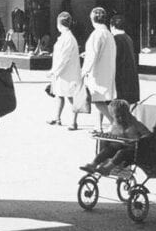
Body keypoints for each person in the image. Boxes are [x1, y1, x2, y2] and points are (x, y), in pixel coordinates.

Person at [78, 99, 152, 175]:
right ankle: (93, 164)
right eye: (117, 116)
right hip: (119, 147)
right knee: (107, 150)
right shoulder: (115, 125)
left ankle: (107, 168)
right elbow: (113, 135)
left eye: (123, 115)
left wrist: (139, 140)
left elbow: (148, 134)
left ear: (128, 114)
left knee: (121, 153)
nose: (120, 118)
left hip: (134, 151)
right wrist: (105, 135)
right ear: (112, 116)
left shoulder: (135, 124)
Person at [81, 7, 117, 135]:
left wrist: (83, 72)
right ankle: (98, 126)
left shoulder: (96, 34)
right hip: (108, 71)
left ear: (92, 19)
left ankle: (115, 124)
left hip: (97, 73)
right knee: (101, 99)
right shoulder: (108, 34)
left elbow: (92, 56)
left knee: (97, 101)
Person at [48, 12, 82, 130]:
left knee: (70, 97)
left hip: (67, 73)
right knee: (59, 94)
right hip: (64, 73)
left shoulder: (67, 38)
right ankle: (57, 117)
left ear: (59, 24)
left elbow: (64, 58)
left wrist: (54, 71)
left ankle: (74, 122)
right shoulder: (66, 37)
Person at [111, 14, 140, 105]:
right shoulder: (128, 38)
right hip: (130, 77)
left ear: (112, 26)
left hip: (121, 78)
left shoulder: (115, 39)